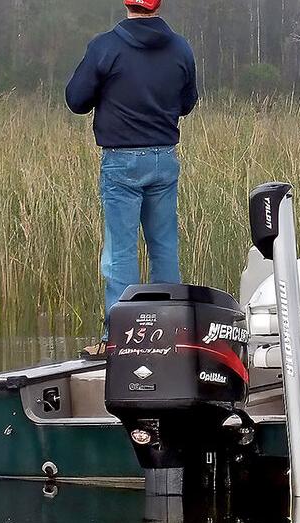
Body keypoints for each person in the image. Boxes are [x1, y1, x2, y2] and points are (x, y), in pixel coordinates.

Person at [66, 0, 198, 353]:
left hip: (121, 161)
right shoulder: (180, 48)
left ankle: (118, 340)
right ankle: (170, 335)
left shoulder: (105, 46)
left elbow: (76, 100)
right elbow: (187, 103)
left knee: (120, 253)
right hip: (163, 158)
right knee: (164, 247)